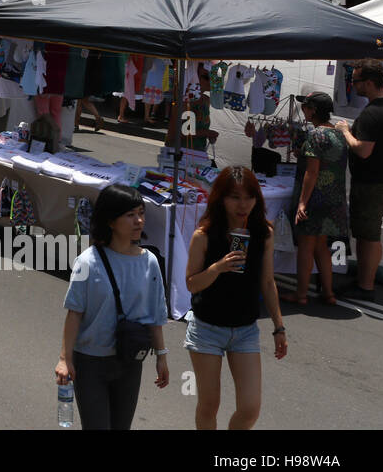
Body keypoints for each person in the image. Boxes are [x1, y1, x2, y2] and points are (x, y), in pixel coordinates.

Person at [54, 184, 169, 430]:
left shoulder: (150, 263)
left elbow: (155, 316)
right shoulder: (88, 262)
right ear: (110, 221)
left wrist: (161, 356)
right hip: (91, 364)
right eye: (130, 215)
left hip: (129, 362)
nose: (139, 220)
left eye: (141, 213)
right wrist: (65, 359)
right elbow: (75, 314)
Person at [184, 166, 287, 430]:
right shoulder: (204, 235)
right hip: (207, 329)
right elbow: (192, 284)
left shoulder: (263, 232)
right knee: (209, 404)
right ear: (221, 198)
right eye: (235, 197)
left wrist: (279, 327)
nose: (243, 205)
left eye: (249, 197)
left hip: (245, 330)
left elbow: (267, 281)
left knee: (250, 408)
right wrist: (217, 268)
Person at [334, 58, 383, 302]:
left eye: (355, 81)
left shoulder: (372, 113)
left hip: (371, 183)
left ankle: (365, 286)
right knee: (371, 232)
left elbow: (362, 149)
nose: (352, 85)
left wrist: (345, 130)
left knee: (367, 235)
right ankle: (365, 278)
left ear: (368, 83)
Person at [284, 93, 348, 306]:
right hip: (334, 197)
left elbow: (312, 172)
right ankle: (328, 293)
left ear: (313, 110)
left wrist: (302, 202)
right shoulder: (338, 134)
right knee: (321, 247)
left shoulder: (315, 135)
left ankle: (301, 295)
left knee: (306, 246)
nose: (304, 112)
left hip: (316, 198)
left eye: (305, 108)